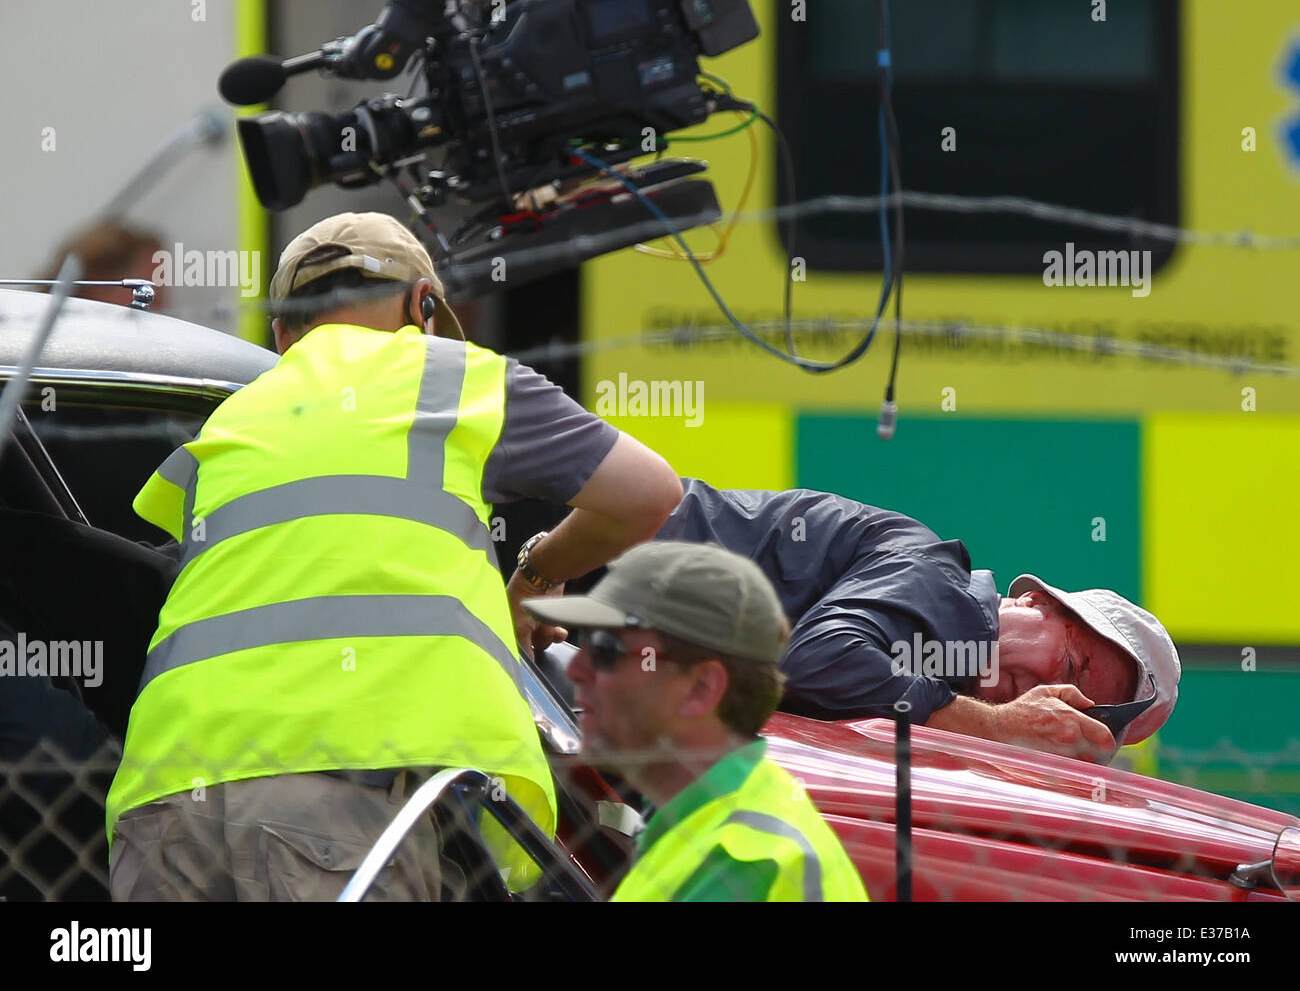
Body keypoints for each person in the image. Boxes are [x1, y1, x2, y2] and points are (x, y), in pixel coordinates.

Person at [105, 211, 682, 901]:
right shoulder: (452, 378)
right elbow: (649, 494)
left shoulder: (232, 417)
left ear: (283, 333)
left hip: (163, 803)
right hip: (332, 802)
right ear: (422, 306)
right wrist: (533, 576)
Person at [648, 479, 1180, 764]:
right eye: (1070, 668)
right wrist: (997, 725)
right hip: (611, 554)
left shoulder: (942, 705)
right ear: (1035, 604)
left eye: (1070, 703)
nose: (1045, 694)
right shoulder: (946, 591)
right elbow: (817, 661)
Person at [523, 540, 868, 902]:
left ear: (700, 689)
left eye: (608, 651)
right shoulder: (705, 819)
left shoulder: (743, 860)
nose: (576, 669)